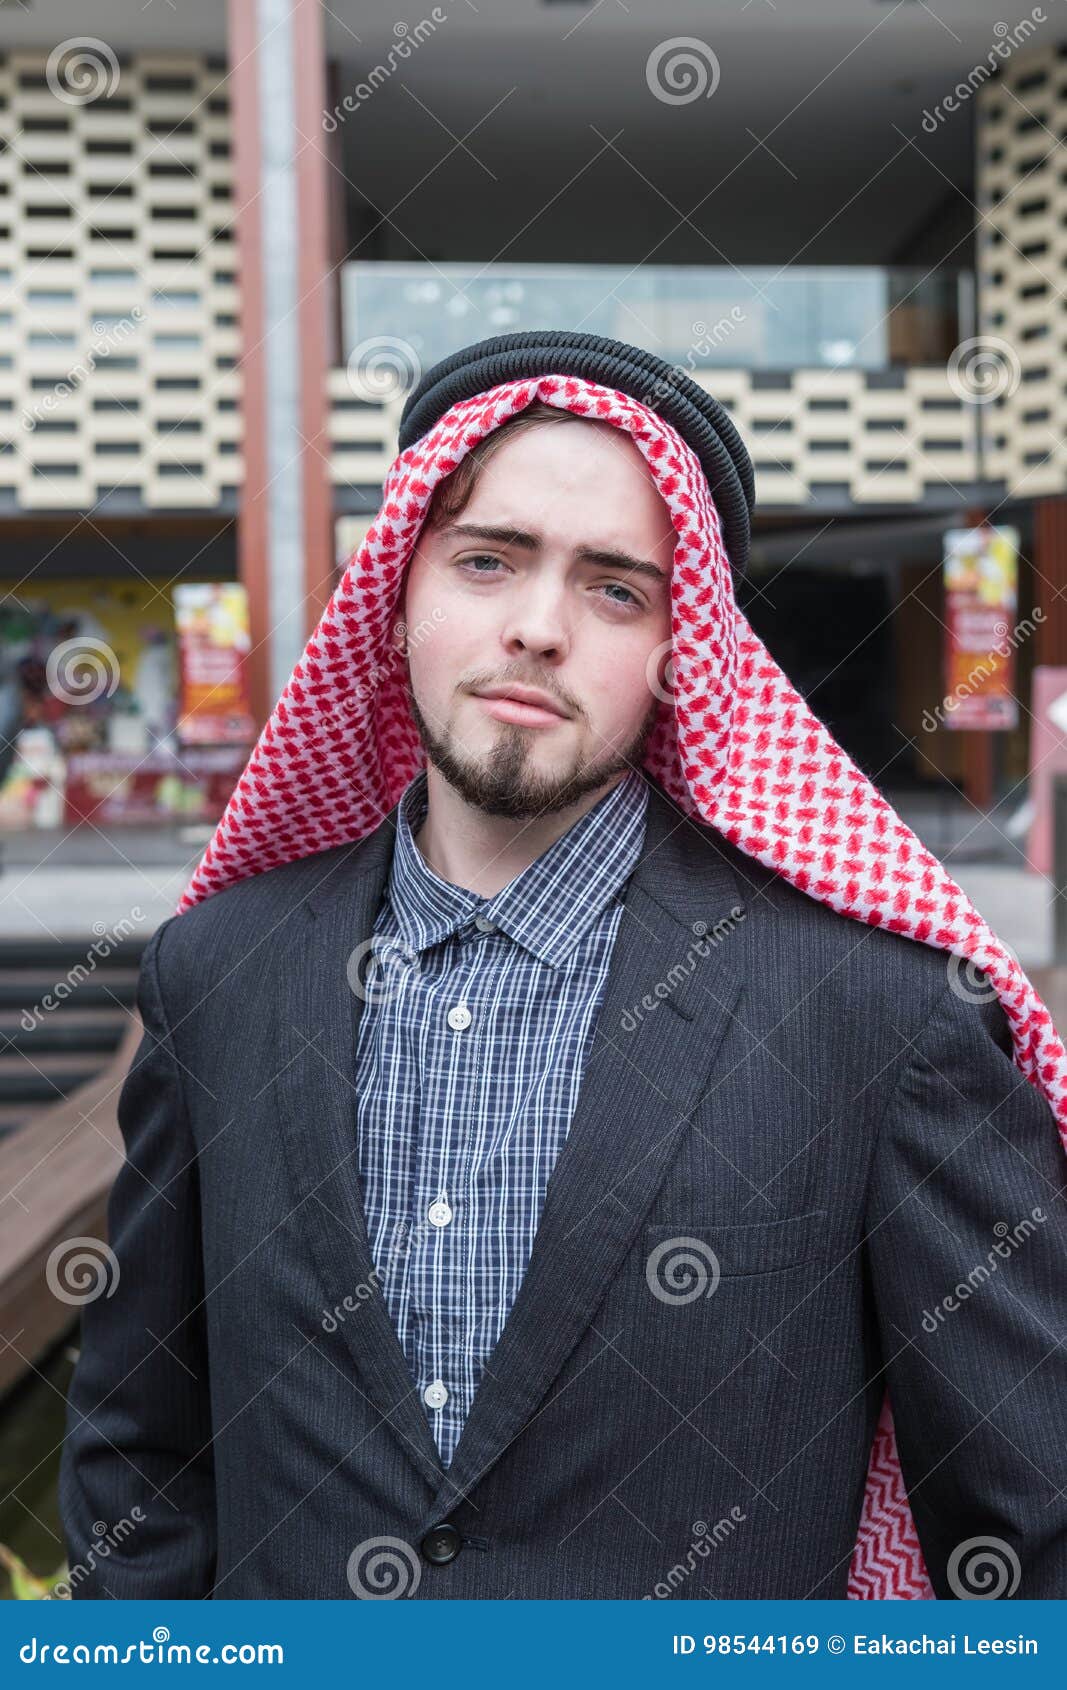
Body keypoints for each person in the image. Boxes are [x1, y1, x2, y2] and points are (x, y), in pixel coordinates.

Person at [59, 332, 1067, 1601]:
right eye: (487, 561)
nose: (536, 628)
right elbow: (141, 1463)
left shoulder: (875, 1016)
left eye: (613, 589)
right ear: (399, 590)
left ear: (678, 651)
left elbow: (1031, 1529)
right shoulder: (218, 975)